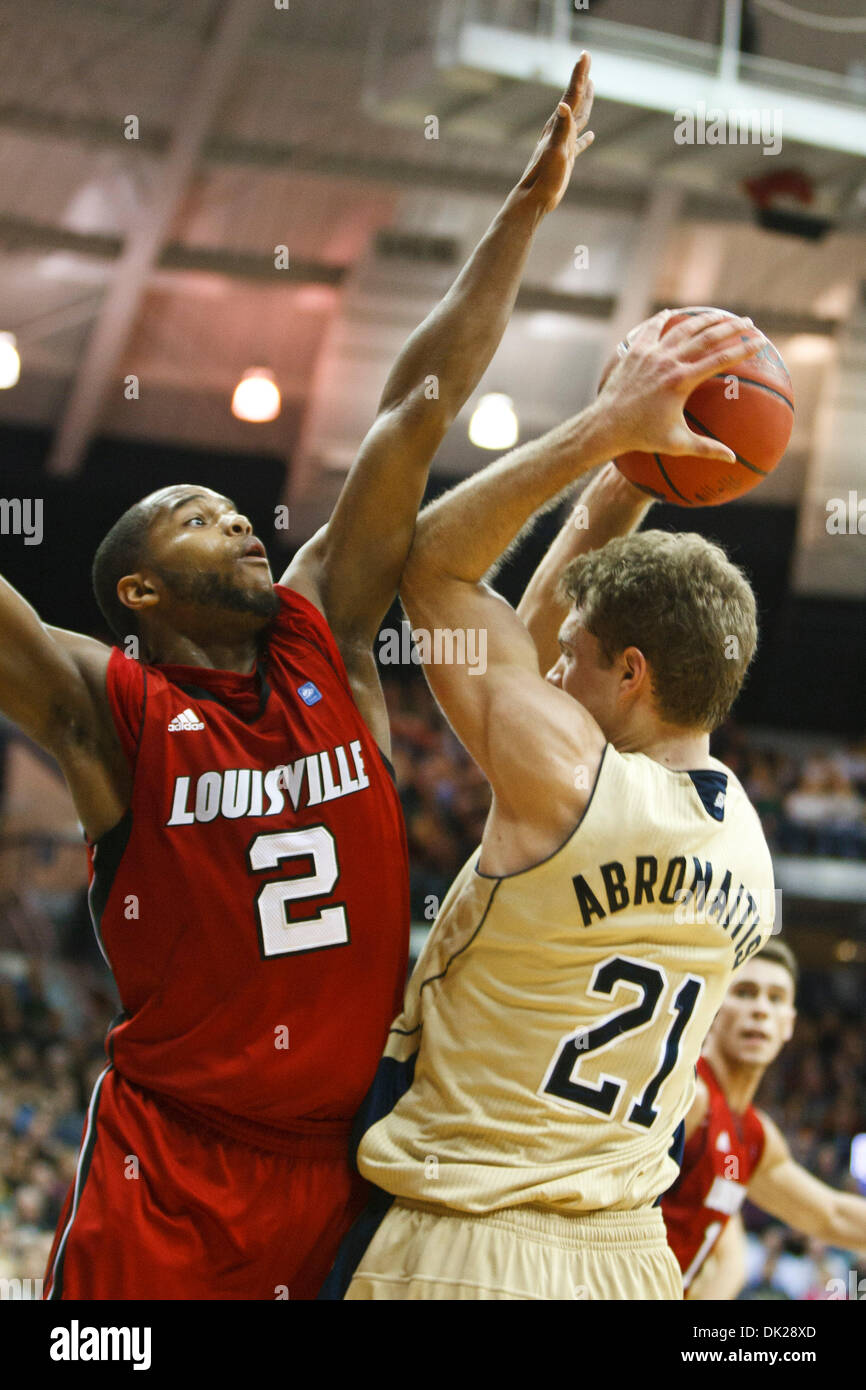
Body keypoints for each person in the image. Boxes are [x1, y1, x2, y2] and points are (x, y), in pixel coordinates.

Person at [0, 56, 598, 1301]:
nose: (234, 520)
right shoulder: (108, 707)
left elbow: (410, 414)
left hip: (343, 1172)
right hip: (167, 1168)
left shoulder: (321, 624)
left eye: (233, 508)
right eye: (194, 516)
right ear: (137, 594)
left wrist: (524, 212)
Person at [322, 306, 777, 1301]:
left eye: (570, 658)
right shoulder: (748, 844)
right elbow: (529, 652)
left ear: (628, 673)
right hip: (626, 1258)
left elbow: (432, 565)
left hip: (470, 1242)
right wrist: (622, 490)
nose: (546, 670)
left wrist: (606, 430)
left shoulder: (563, 780)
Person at [662, 939, 866, 1299]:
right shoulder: (687, 1095)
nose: (760, 1009)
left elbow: (831, 1215)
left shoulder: (755, 1135)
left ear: (788, 1024)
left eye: (775, 998)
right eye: (744, 992)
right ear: (712, 1006)